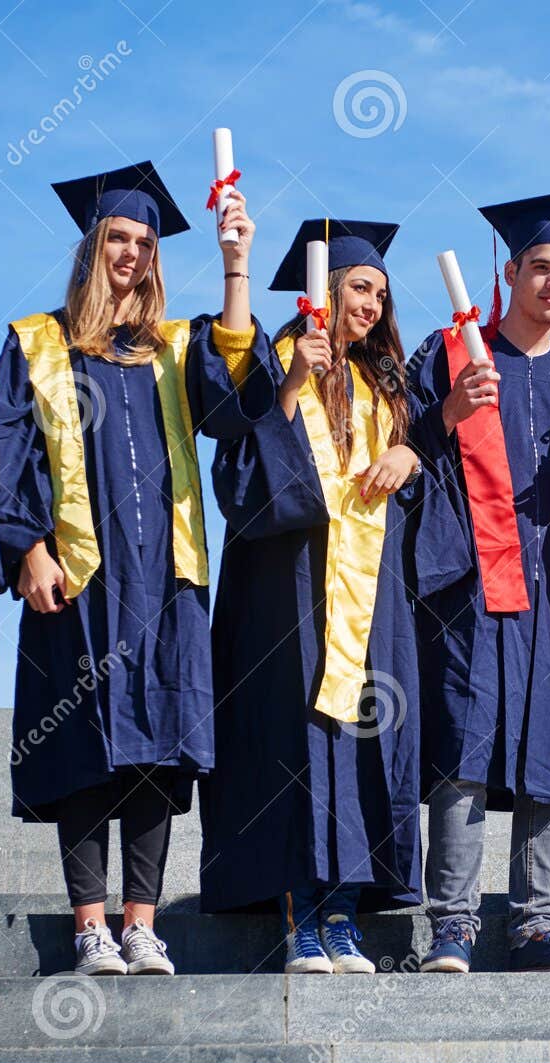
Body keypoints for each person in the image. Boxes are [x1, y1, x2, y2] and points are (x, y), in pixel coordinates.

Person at [0, 161, 248, 976]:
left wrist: (236, 263)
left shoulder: (176, 349)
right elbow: (11, 454)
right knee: (84, 749)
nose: (132, 253)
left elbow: (237, 398)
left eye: (144, 242)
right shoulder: (35, 341)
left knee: (160, 752)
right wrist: (27, 545)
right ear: (92, 246)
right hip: (80, 578)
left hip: (167, 581)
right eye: (118, 239)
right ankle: (90, 925)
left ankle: (142, 924)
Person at [198, 216, 425, 975]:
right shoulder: (276, 359)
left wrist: (409, 452)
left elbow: (428, 482)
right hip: (288, 591)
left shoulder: (386, 383)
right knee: (296, 752)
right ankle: (302, 921)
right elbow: (239, 473)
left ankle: (343, 918)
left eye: (380, 294)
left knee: (363, 749)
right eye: (359, 287)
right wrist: (293, 386)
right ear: (322, 291)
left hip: (371, 597)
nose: (371, 304)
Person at [408, 191, 550, 972]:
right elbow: (405, 457)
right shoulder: (452, 354)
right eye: (542, 268)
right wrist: (449, 414)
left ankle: (536, 923)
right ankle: (452, 926)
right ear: (510, 270)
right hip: (471, 591)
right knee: (464, 749)